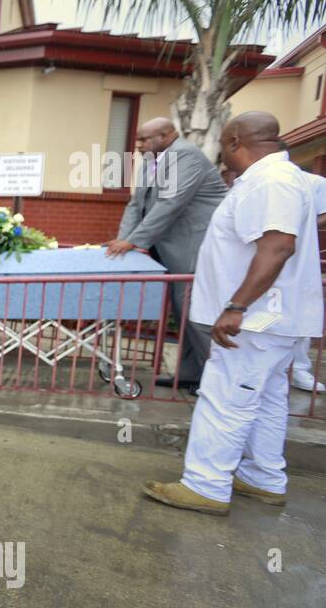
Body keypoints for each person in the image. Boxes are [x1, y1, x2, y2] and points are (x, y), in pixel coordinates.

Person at [144, 112, 323, 516]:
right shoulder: (287, 178)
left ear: (236, 141)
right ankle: (263, 478)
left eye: (224, 146)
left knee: (224, 400)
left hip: (255, 321)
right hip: (275, 321)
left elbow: (277, 246)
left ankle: (206, 485)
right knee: (268, 400)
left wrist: (237, 306)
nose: (223, 157)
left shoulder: (270, 181)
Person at [107, 117, 227, 389]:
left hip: (194, 245)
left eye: (144, 139)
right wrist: (123, 239)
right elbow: (135, 205)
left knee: (194, 313)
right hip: (171, 246)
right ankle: (190, 374)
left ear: (166, 135)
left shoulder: (186, 155)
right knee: (182, 312)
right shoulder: (151, 160)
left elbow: (170, 203)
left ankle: (220, 382)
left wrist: (134, 241)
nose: (137, 145)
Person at [289, 165, 326, 392]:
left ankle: (299, 369)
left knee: (301, 311)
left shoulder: (315, 183)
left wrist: (299, 223)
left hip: (300, 255)